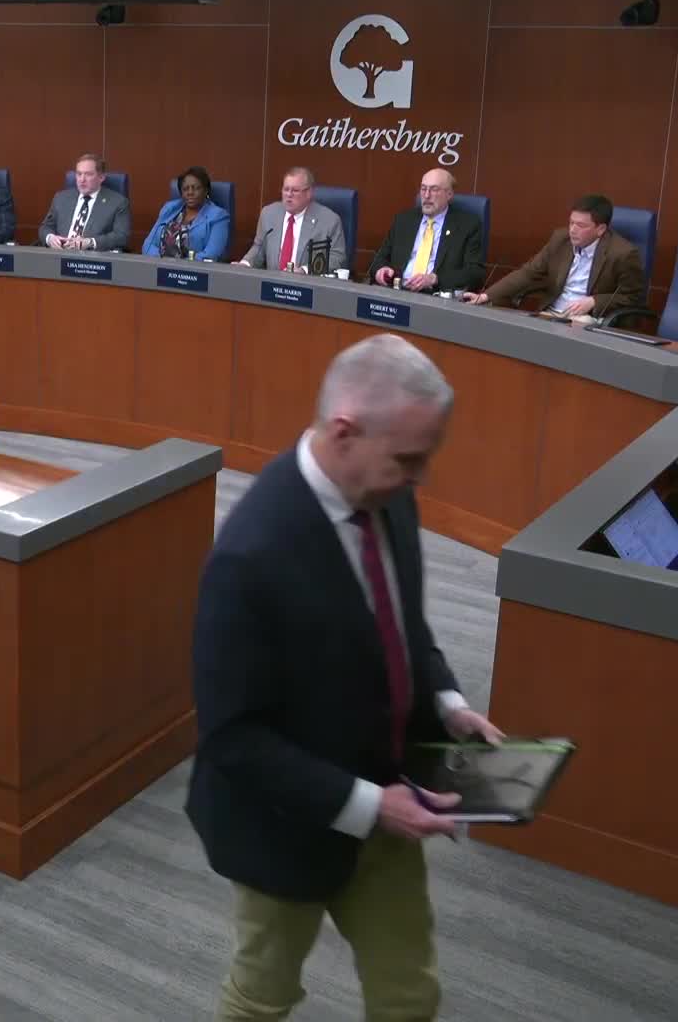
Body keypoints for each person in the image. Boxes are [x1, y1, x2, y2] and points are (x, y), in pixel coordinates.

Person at [187, 333, 505, 1020]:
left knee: (409, 992)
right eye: (409, 459)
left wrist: (446, 700)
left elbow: (401, 623)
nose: (421, 478)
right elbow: (232, 738)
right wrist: (368, 804)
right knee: (262, 997)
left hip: (392, 803)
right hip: (284, 829)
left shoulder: (388, 492)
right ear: (344, 433)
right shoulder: (249, 557)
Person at [459, 195, 645, 317]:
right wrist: (486, 296)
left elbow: (633, 297)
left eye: (581, 226)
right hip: (552, 315)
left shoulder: (623, 253)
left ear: (601, 229)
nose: (572, 230)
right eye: (571, 223)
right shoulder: (561, 239)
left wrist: (594, 301)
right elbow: (528, 273)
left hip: (588, 321)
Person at [367, 169, 484, 293]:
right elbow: (378, 259)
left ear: (449, 194)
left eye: (434, 189)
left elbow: (475, 273)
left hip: (434, 295)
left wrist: (435, 279)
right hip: (397, 290)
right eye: (423, 189)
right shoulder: (404, 220)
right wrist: (381, 269)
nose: (427, 196)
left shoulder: (467, 226)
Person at [239, 167, 347, 273]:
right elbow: (258, 248)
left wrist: (305, 270)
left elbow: (337, 257)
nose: (289, 195)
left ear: (309, 193)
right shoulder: (269, 214)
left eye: (295, 191)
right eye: (286, 189)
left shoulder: (329, 221)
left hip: (306, 282)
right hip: (272, 281)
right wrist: (245, 264)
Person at [38, 154, 131, 252]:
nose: (82, 180)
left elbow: (121, 236)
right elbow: (46, 227)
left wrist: (91, 242)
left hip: (91, 257)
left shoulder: (118, 202)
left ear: (101, 177)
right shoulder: (61, 198)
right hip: (59, 253)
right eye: (79, 174)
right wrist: (50, 238)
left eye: (88, 174)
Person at [142, 166, 232, 261]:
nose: (190, 192)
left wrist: (179, 264)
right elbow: (147, 245)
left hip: (193, 268)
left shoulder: (218, 216)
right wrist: (162, 260)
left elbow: (210, 255)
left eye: (195, 188)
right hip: (160, 264)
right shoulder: (169, 209)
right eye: (185, 189)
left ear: (206, 191)